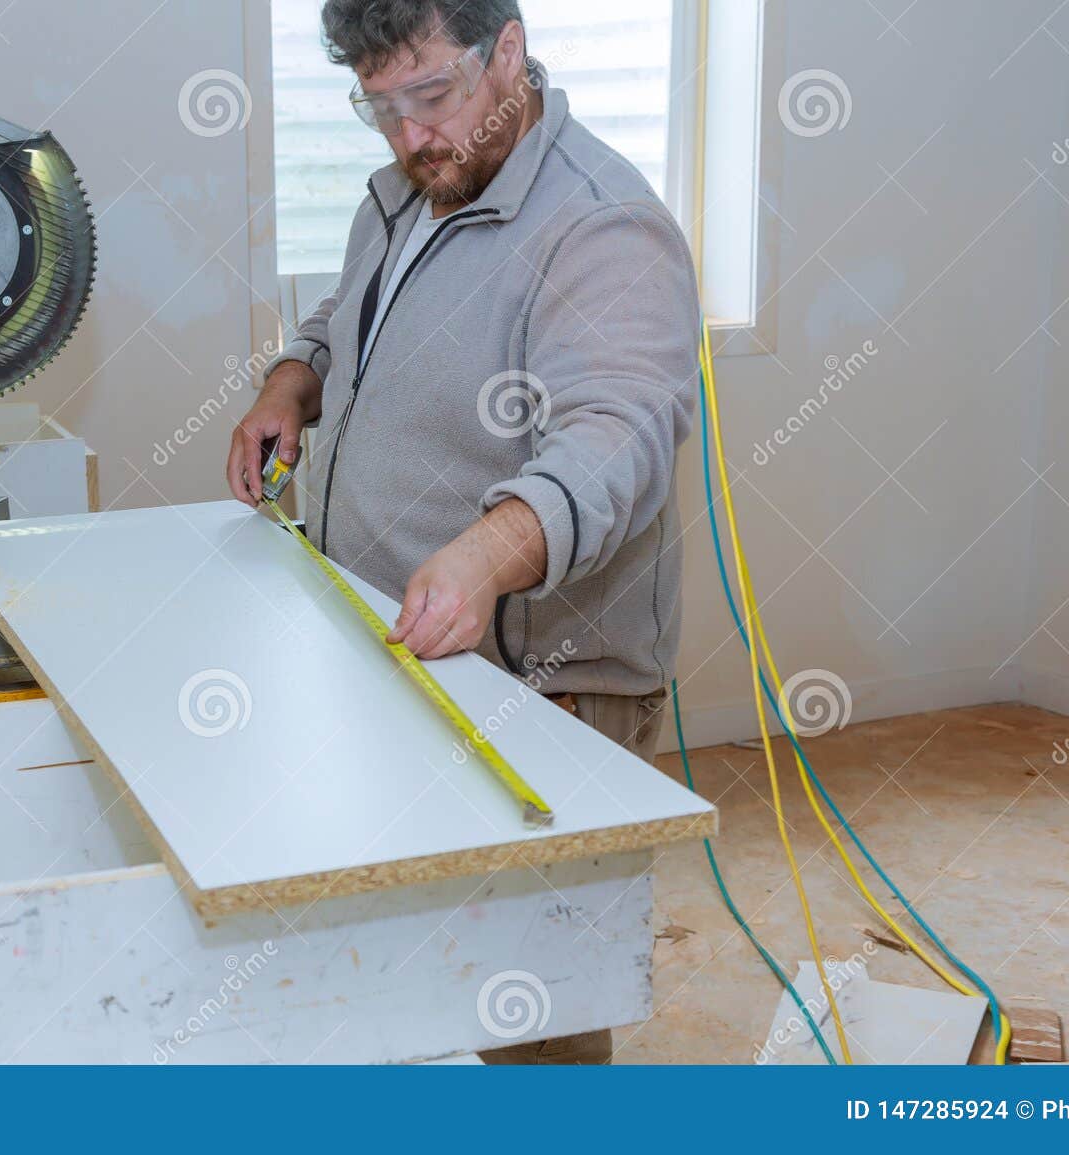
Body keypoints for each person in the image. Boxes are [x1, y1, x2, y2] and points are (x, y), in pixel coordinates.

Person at [226, 0, 701, 1064]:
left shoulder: (601, 228)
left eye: (431, 94)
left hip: (540, 688)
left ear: (510, 53)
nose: (408, 135)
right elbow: (346, 318)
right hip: (406, 658)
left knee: (529, 1013)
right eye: (378, 108)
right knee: (421, 974)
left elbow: (617, 438)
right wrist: (290, 385)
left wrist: (488, 553)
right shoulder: (407, 191)